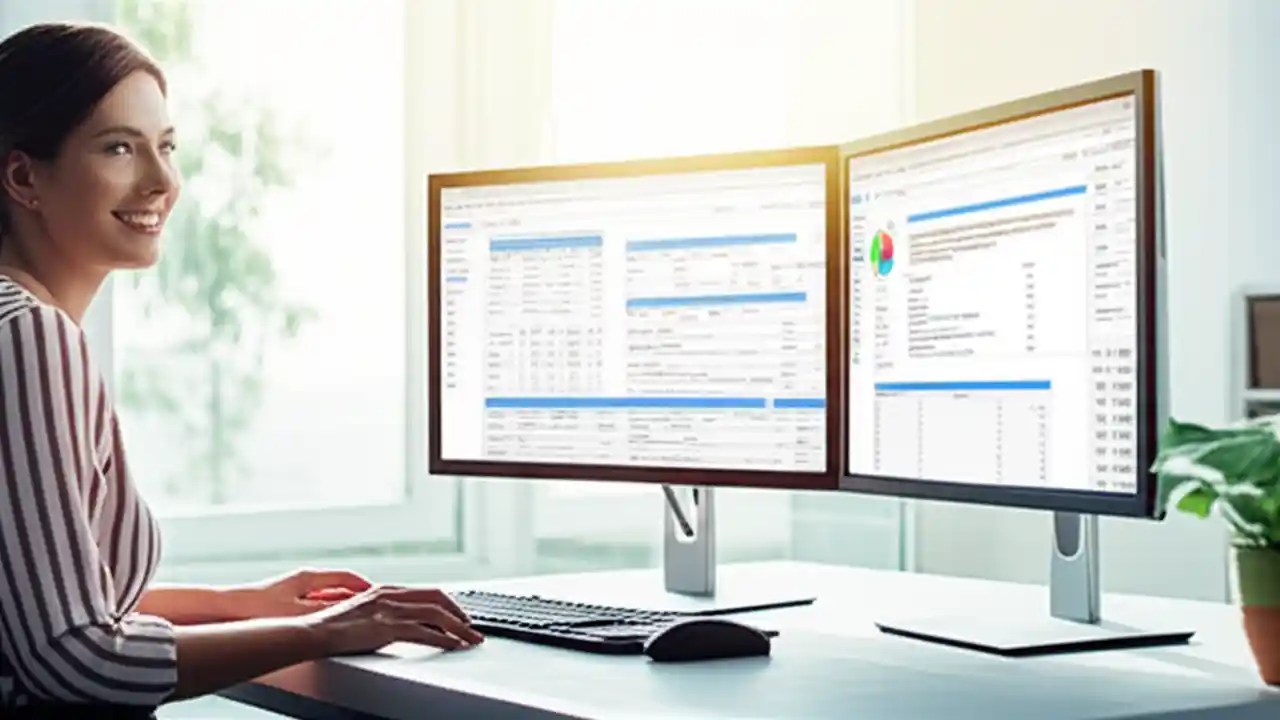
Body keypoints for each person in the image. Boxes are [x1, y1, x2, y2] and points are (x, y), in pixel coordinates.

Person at [0, 21, 484, 715]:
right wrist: (318, 631)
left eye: (166, 147)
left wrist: (238, 605)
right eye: (118, 148)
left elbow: (37, 612)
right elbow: (75, 659)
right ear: (23, 176)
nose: (162, 181)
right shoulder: (28, 336)